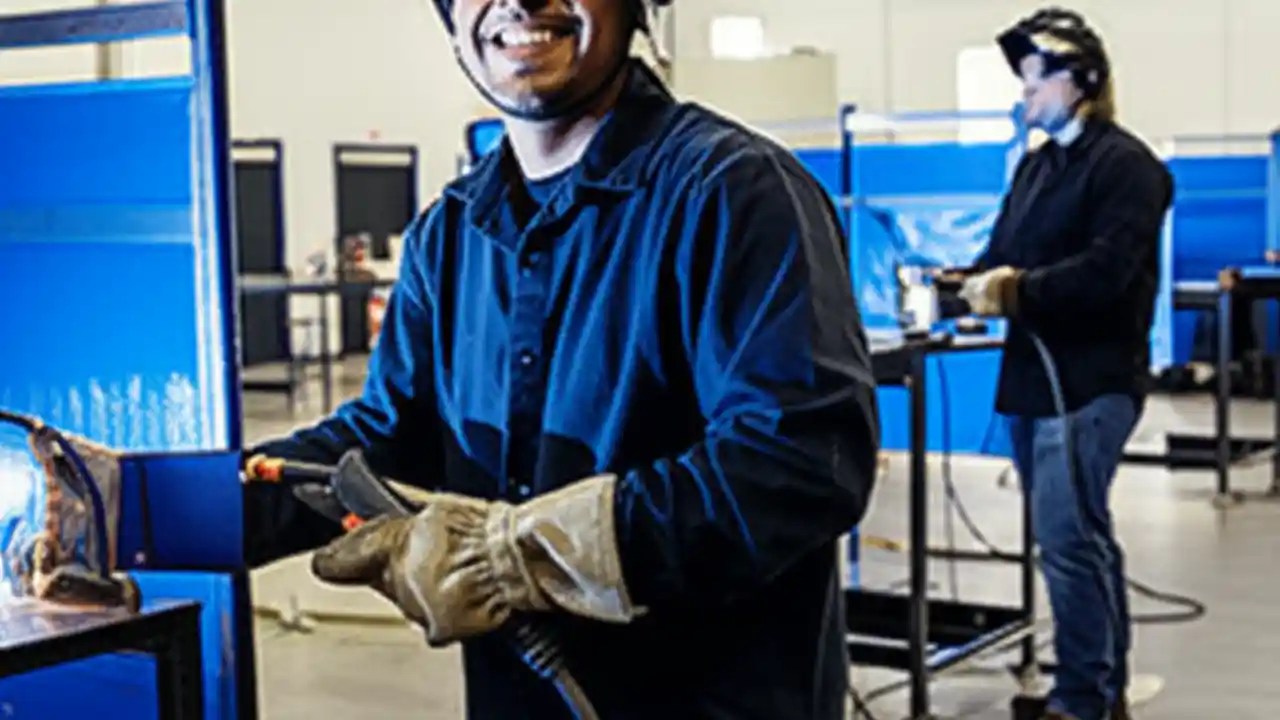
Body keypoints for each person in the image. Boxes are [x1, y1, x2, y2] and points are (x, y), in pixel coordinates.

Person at [242, 0, 881, 718]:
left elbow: (800, 460)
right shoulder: (449, 235)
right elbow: (394, 438)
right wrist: (152, 507)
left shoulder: (734, 192)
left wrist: (531, 555)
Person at [957, 8, 1174, 720]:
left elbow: (1107, 272)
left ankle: (1082, 700)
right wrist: (963, 280)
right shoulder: (1035, 167)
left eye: (1034, 81)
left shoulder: (1129, 167)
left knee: (1069, 541)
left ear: (1080, 81)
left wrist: (1018, 289)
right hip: (1032, 382)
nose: (1023, 96)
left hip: (1089, 384)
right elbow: (1001, 252)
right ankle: (1099, 693)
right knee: (1078, 538)